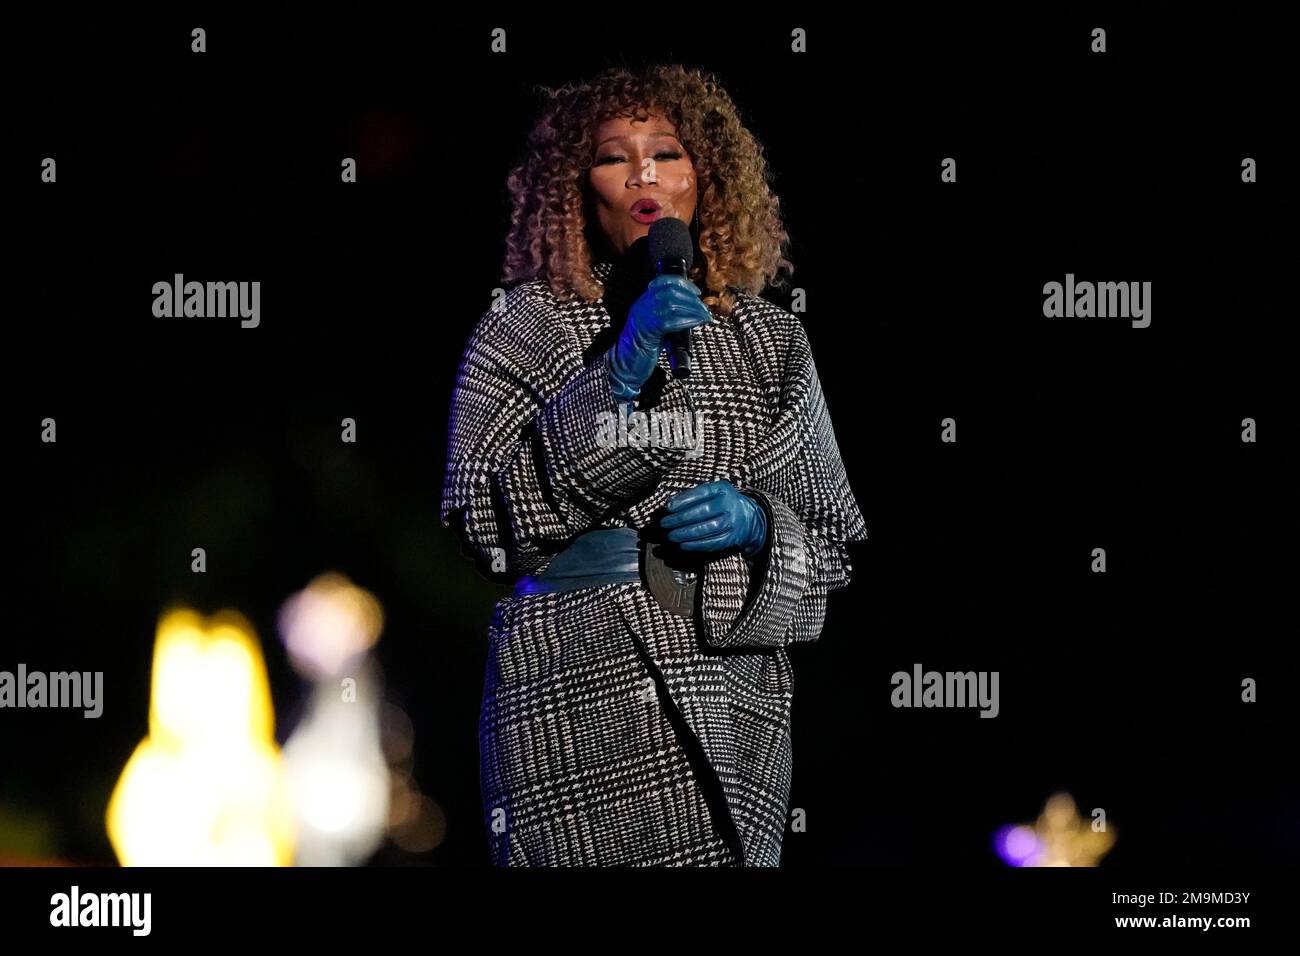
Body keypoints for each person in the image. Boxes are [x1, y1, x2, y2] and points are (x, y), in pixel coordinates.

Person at [440, 63, 867, 866]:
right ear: (576, 187)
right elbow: (484, 525)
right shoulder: (524, 327)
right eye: (613, 156)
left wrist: (757, 526)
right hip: (571, 693)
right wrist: (622, 370)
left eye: (667, 152)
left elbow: (832, 544)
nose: (643, 174)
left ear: (707, 177)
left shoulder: (770, 341)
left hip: (728, 696)